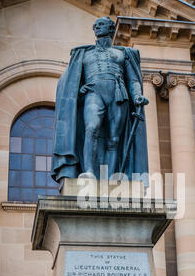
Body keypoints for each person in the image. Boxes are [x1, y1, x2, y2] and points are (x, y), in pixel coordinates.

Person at [51, 16, 149, 189]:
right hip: (93, 93)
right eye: (95, 25)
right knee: (91, 128)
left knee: (114, 139)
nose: (96, 27)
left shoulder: (122, 54)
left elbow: (133, 79)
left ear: (111, 29)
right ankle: (88, 171)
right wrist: (77, 91)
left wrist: (137, 96)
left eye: (101, 24)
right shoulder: (84, 54)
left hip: (119, 94)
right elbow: (72, 81)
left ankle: (111, 177)